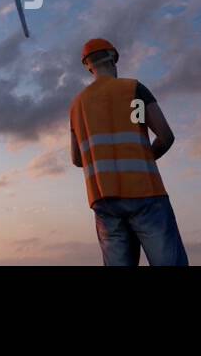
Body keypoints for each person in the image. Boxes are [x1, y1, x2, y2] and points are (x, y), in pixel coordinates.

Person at [69, 38, 188, 266]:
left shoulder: (77, 105)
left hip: (104, 200)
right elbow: (165, 136)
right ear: (113, 58)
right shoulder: (132, 89)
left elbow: (76, 159)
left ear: (87, 66)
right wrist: (144, 159)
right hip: (145, 193)